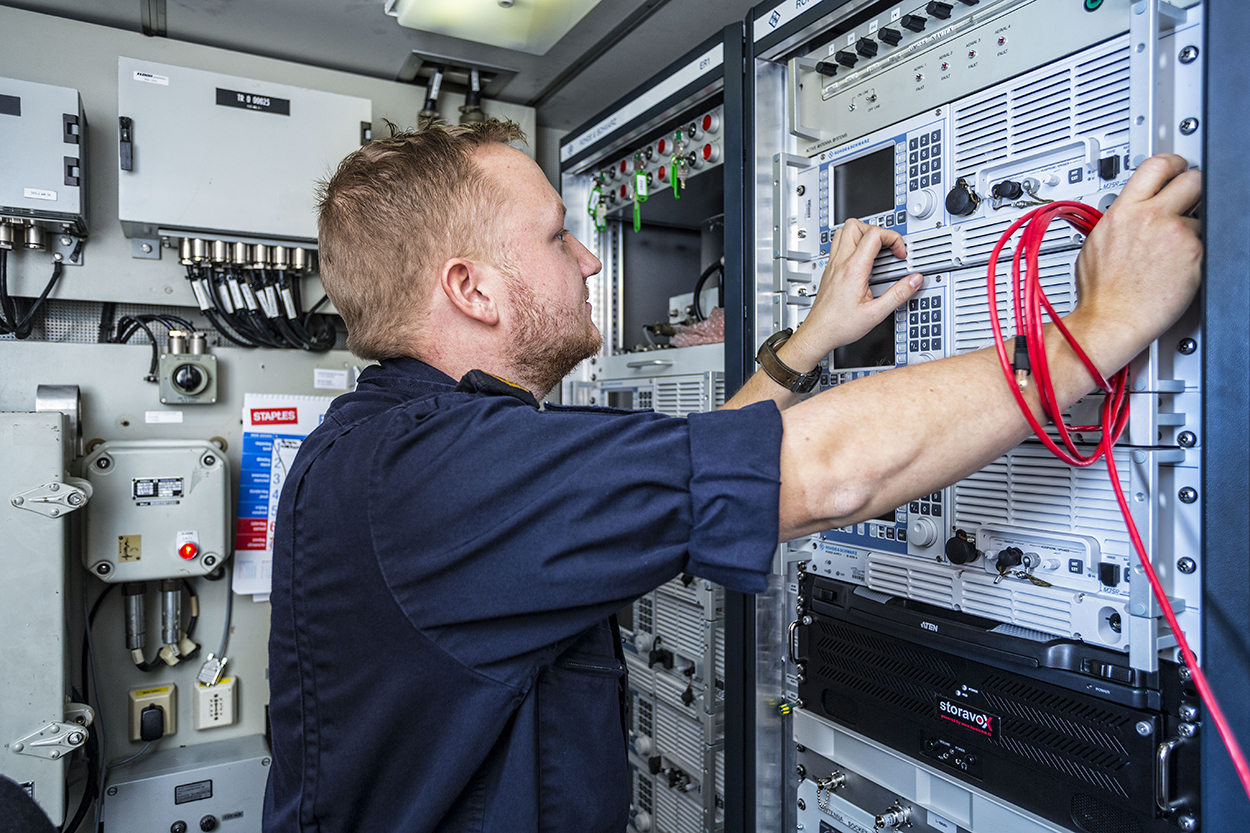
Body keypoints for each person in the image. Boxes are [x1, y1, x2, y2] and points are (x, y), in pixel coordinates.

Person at [263, 120, 1202, 833]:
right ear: (471, 288)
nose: (589, 258)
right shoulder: (437, 473)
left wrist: (807, 345)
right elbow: (822, 472)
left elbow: (698, 468)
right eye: (557, 237)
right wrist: (1102, 326)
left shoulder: (394, 452)